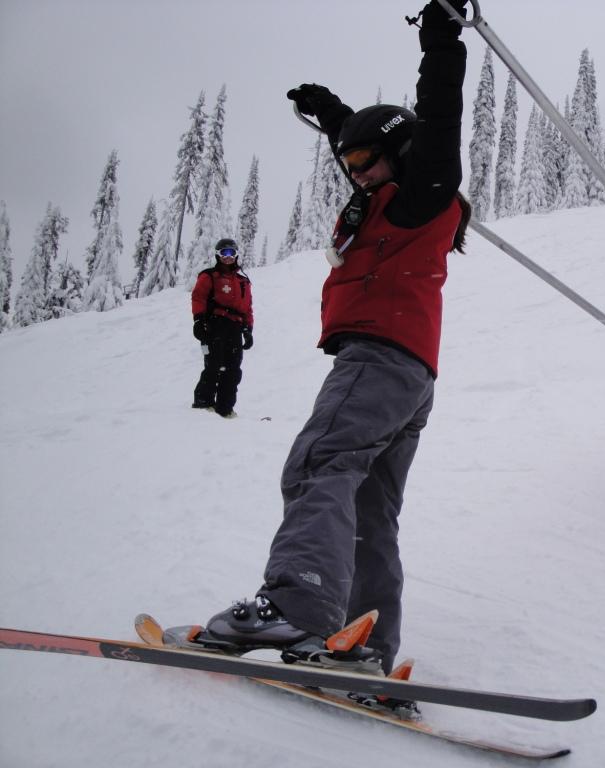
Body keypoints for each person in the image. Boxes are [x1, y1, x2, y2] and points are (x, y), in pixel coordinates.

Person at [201, 0, 471, 678]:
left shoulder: (422, 195)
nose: (355, 172)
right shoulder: (382, 198)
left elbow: (436, 117)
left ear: (402, 157)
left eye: (366, 161)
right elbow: (371, 150)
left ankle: (297, 603)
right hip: (408, 378)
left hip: (378, 361)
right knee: (368, 511)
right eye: (347, 162)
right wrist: (334, 119)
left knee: (318, 465)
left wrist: (441, 37)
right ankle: (364, 648)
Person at [191, 237, 254, 418]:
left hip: (235, 327)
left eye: (232, 253)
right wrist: (198, 320)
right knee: (214, 365)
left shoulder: (243, 281)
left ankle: (225, 408)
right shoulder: (209, 275)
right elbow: (198, 297)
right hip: (215, 324)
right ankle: (203, 403)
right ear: (218, 255)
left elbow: (248, 307)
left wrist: (248, 330)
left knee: (233, 369)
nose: (228, 257)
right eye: (224, 253)